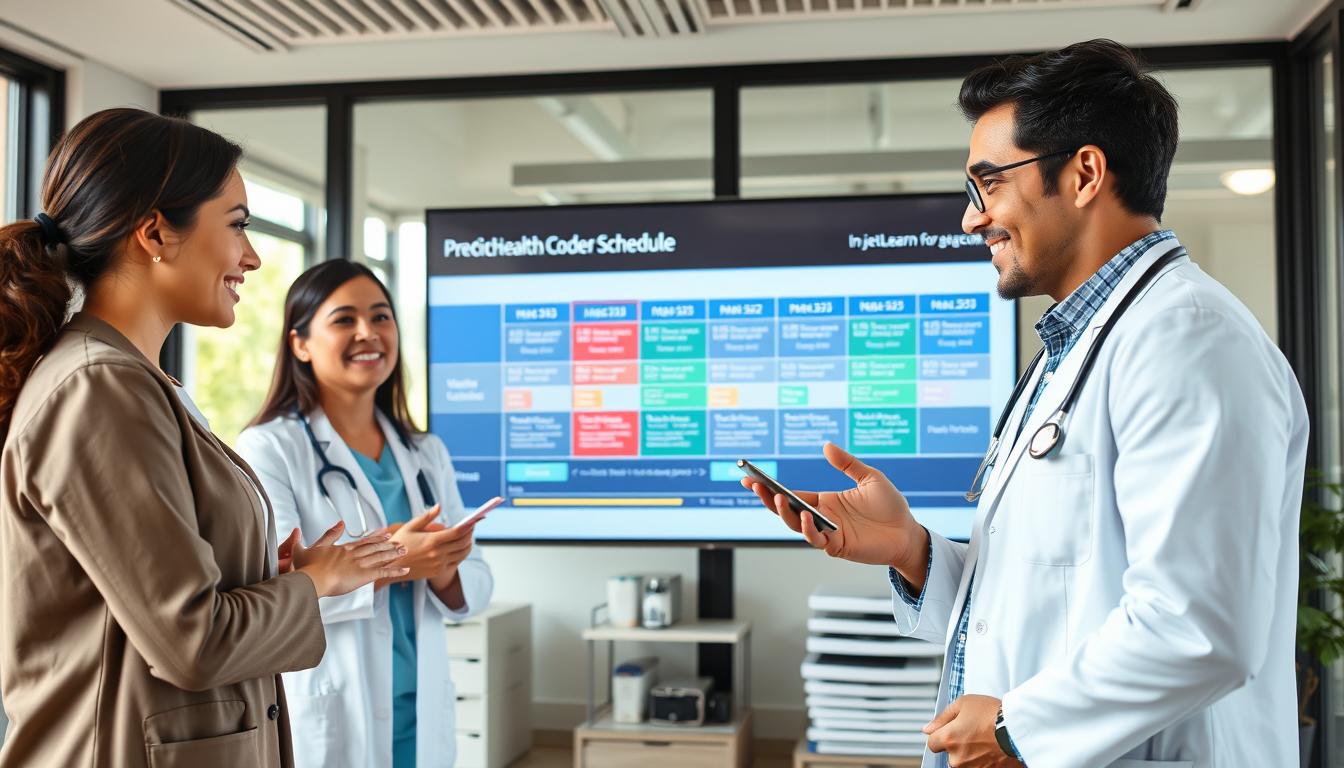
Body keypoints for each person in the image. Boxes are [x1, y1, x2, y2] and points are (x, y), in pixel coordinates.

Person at [744, 39, 1307, 768]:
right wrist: (912, 552)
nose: (971, 219)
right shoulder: (1078, 345)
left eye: (988, 185)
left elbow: (1200, 627)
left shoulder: (1189, 339)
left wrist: (1017, 725)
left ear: (1084, 174)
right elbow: (1055, 593)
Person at [0, 108, 409, 768]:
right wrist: (316, 584)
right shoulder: (99, 390)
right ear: (157, 232)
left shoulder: (133, 383)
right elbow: (193, 641)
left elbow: (144, 600)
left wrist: (269, 575)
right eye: (238, 225)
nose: (250, 257)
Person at [237, 259, 494, 768]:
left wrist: (444, 570)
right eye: (344, 320)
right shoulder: (269, 448)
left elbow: (479, 585)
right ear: (300, 344)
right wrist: (401, 558)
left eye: (381, 317)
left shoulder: (424, 451)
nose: (368, 333)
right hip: (335, 712)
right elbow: (279, 594)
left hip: (418, 711)